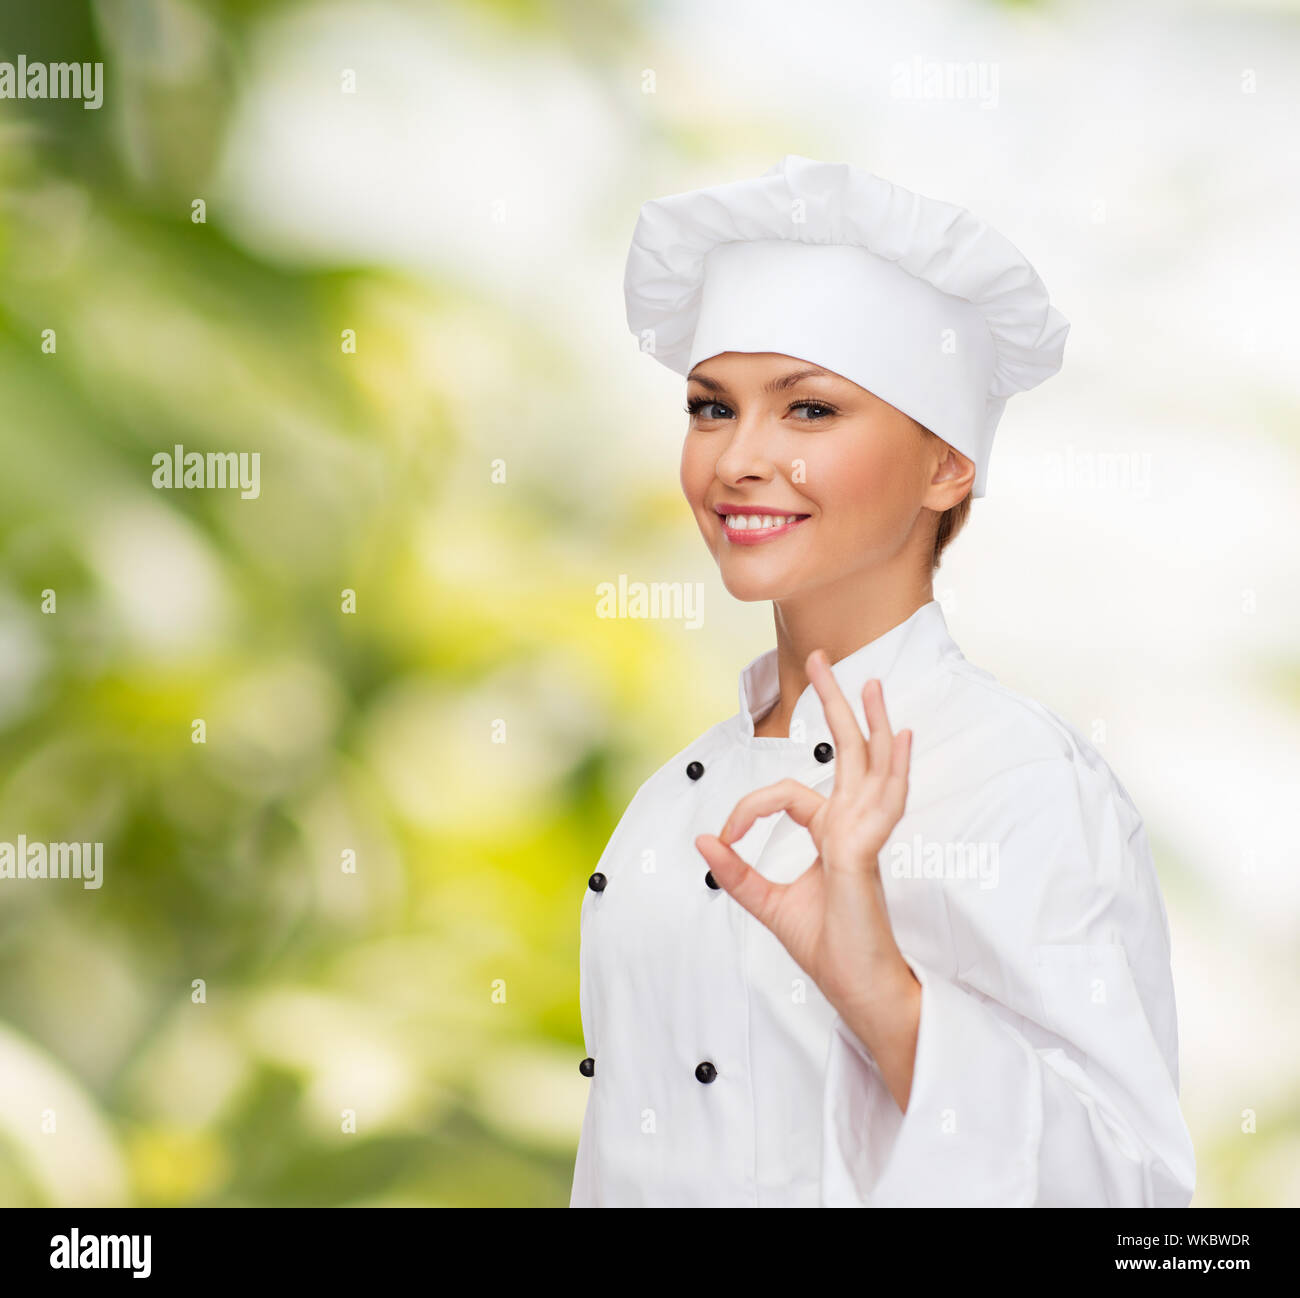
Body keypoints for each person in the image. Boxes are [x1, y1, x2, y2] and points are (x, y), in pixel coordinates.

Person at [569, 155, 1196, 1207]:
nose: (737, 460)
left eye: (808, 410)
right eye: (711, 407)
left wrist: (883, 997)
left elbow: (1130, 1202)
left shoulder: (1017, 779)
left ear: (947, 463)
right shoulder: (671, 797)